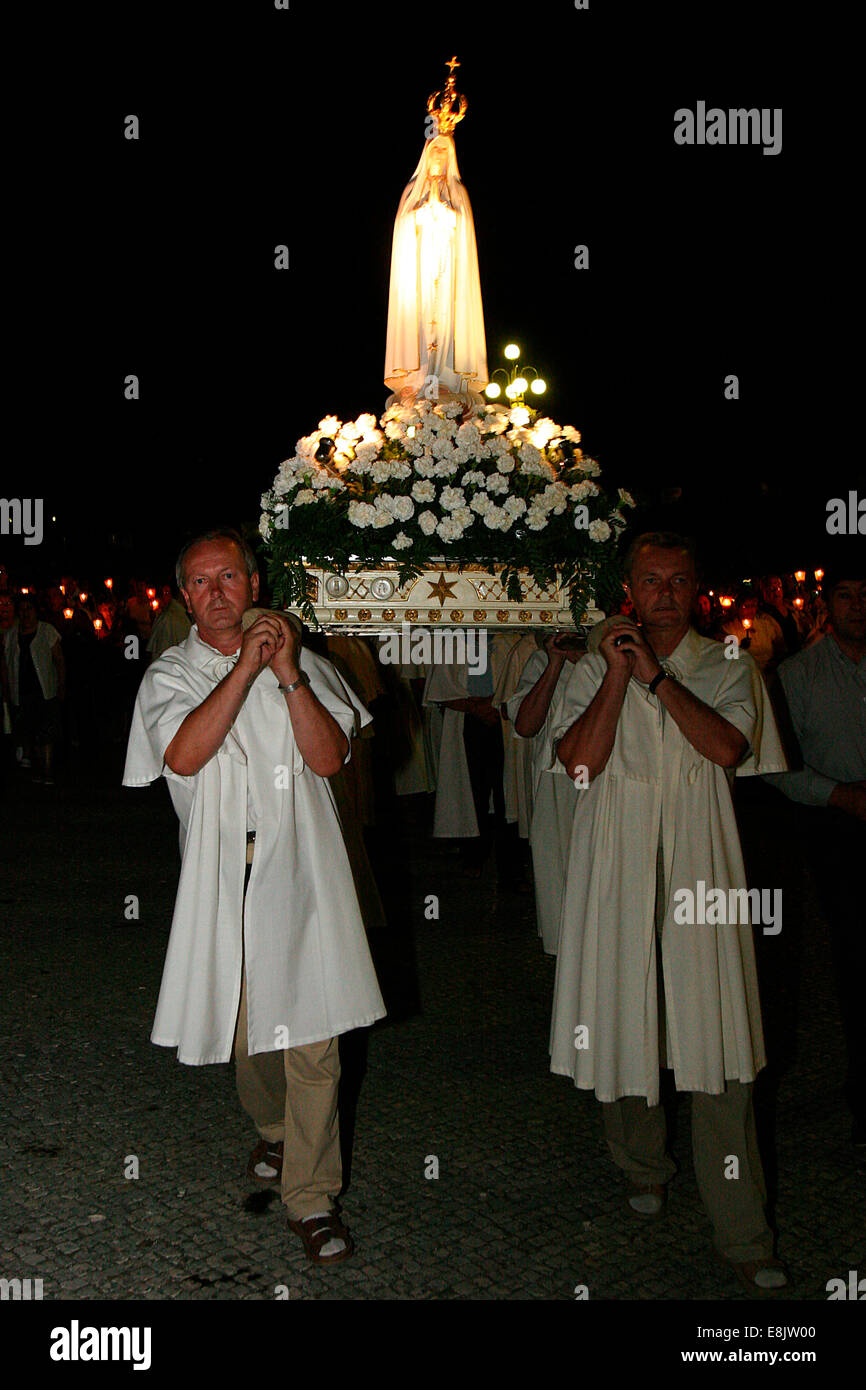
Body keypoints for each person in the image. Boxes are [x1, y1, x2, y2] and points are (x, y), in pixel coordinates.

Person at [123, 528, 386, 1265]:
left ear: (254, 583)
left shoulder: (308, 666)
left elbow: (330, 757)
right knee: (249, 1036)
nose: (217, 594)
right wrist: (245, 667)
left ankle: (312, 1197)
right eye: (200, 583)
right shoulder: (168, 676)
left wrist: (290, 673)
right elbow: (183, 754)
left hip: (305, 869)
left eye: (229, 578)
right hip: (225, 877)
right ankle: (272, 1129)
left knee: (317, 1032)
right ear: (183, 597)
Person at [548, 532, 789, 1292]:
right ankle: (641, 1161)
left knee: (716, 1029)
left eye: (678, 580)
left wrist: (655, 678)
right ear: (630, 587)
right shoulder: (592, 665)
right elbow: (579, 761)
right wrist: (618, 678)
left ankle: (744, 1230)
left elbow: (725, 748)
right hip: (615, 860)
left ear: (696, 589)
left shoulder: (727, 664)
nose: (663, 593)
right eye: (650, 580)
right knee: (624, 1012)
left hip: (699, 862)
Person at [762, 570, 866, 1148]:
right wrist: (842, 795)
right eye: (847, 596)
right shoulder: (797, 675)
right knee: (857, 959)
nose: (859, 607)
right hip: (839, 826)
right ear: (828, 605)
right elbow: (776, 765)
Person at [506, 631, 584, 954]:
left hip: (605, 777)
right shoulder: (540, 661)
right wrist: (554, 665)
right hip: (556, 780)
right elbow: (525, 725)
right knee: (560, 886)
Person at [3, 594, 65, 784]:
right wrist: (6, 689)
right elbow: (6, 665)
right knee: (27, 730)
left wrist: (61, 684)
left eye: (29, 609)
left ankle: (47, 773)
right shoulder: (11, 636)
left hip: (44, 690)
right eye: (22, 610)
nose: (25, 613)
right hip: (21, 691)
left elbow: (59, 661)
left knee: (45, 732)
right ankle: (34, 770)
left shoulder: (47, 632)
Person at [720, 590, 785, 674]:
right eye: (746, 606)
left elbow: (780, 646)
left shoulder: (765, 624)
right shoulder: (729, 629)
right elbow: (729, 660)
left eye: (753, 606)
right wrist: (741, 648)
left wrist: (775, 661)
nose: (750, 610)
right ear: (737, 608)